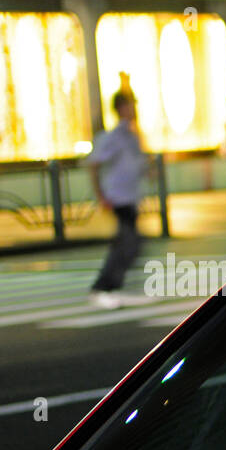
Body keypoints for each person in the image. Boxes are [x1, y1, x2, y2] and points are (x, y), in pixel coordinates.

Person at [88, 91, 147, 307]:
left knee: (129, 243)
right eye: (131, 105)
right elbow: (94, 164)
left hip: (129, 198)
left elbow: (137, 166)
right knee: (127, 243)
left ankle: (109, 286)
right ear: (121, 108)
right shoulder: (113, 137)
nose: (134, 109)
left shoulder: (132, 136)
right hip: (118, 199)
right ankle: (102, 287)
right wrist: (101, 195)